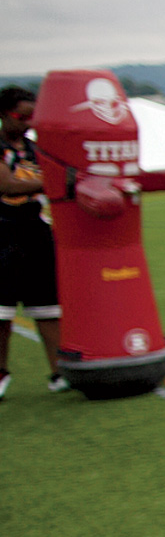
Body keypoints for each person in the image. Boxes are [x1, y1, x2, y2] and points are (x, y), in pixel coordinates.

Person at [0, 85, 64, 399]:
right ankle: (1, 373)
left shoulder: (33, 148)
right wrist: (58, 180)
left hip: (34, 230)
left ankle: (59, 372)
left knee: (48, 307)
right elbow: (7, 185)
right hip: (3, 232)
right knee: (2, 312)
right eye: (20, 116)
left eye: (31, 117)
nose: (27, 122)